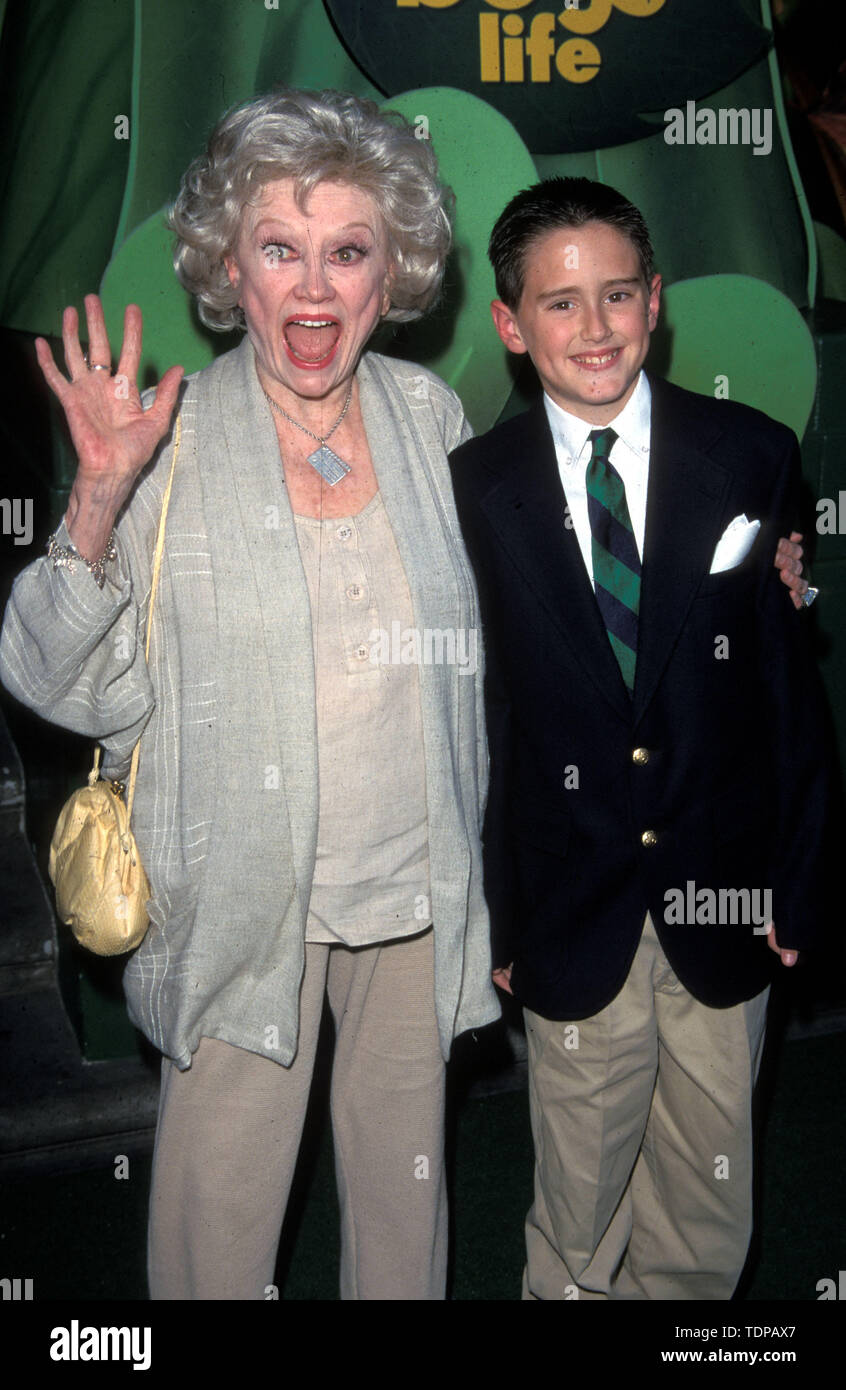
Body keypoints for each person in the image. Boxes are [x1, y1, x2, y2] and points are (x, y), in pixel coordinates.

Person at [0, 88, 499, 1301]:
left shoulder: (432, 420)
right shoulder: (169, 443)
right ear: (231, 265)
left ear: (395, 275)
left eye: (348, 251)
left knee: (404, 1215)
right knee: (214, 1245)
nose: (314, 287)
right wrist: (97, 501)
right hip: (236, 902)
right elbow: (49, 677)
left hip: (411, 893)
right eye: (280, 249)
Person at [448, 176, 833, 1300]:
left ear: (656, 301)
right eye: (560, 305)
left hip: (728, 895)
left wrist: (801, 884)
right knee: (577, 1203)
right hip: (574, 907)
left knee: (709, 1199)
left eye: (619, 294)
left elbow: (784, 699)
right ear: (511, 326)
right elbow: (491, 727)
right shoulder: (476, 489)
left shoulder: (748, 455)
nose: (597, 327)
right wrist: (501, 918)